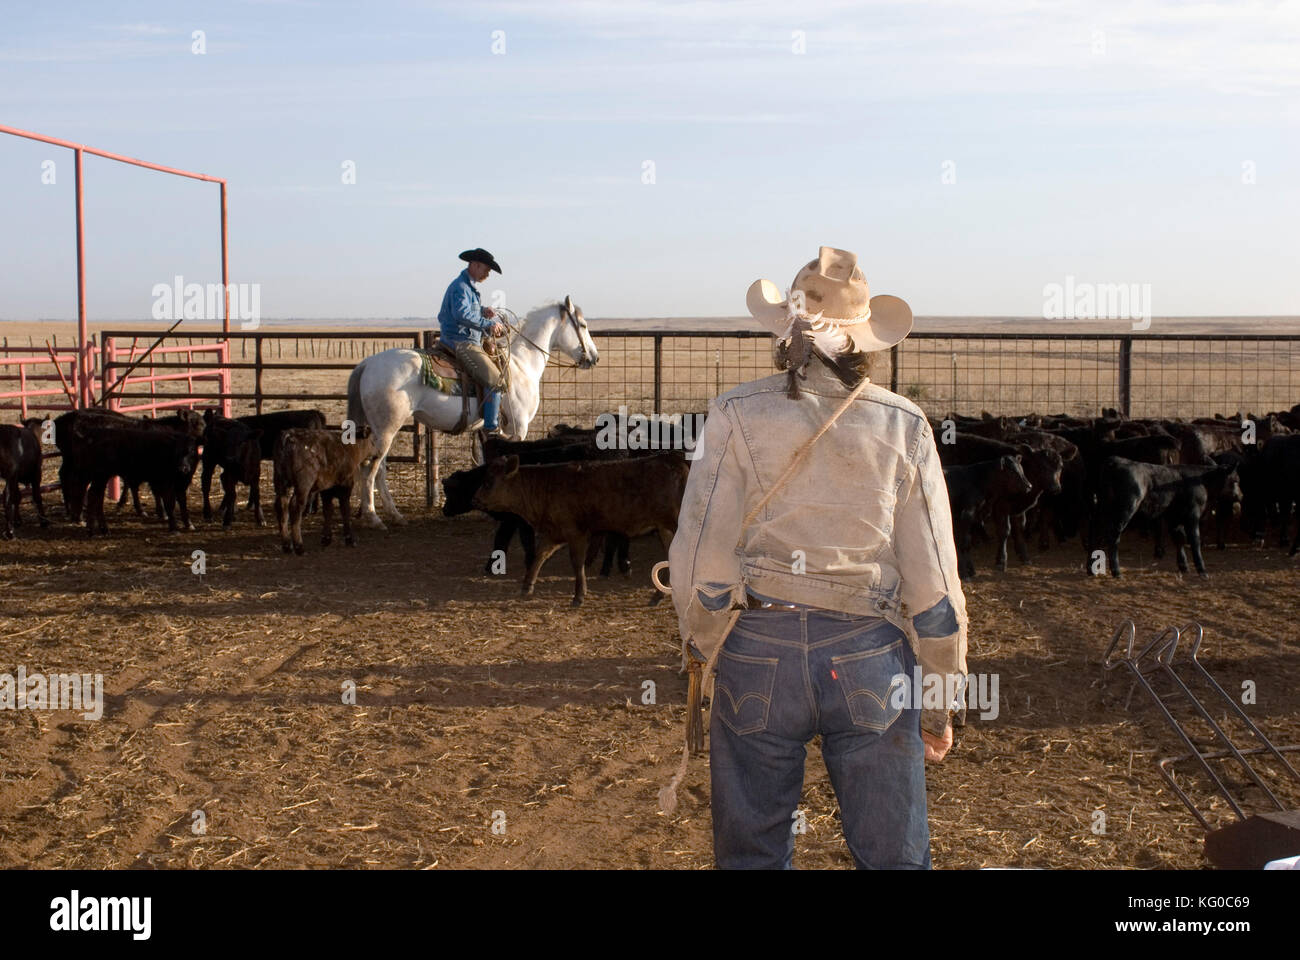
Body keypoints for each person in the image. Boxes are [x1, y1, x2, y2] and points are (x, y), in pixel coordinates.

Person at [667, 246, 969, 869]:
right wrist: (940, 695)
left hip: (757, 652)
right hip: (869, 655)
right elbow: (935, 583)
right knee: (892, 853)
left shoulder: (733, 412)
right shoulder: (904, 424)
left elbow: (700, 556)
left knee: (752, 849)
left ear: (784, 331)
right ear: (864, 339)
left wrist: (702, 647)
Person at [438, 247, 506, 433]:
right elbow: (461, 314)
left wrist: (483, 310)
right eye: (486, 269)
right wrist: (488, 324)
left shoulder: (466, 287)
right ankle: (492, 430)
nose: (487, 274)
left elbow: (467, 311)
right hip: (461, 341)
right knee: (495, 381)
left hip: (465, 338)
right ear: (475, 265)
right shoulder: (460, 287)